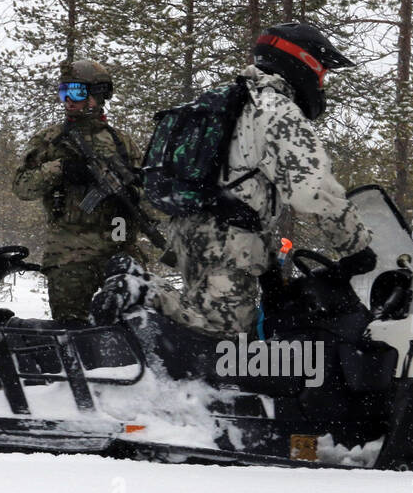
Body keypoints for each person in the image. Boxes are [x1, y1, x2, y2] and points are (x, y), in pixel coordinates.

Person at [141, 22, 374, 338]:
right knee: (222, 338)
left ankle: (164, 359)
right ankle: (141, 293)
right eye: (321, 74)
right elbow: (313, 189)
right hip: (225, 240)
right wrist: (356, 247)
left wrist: (269, 272)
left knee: (214, 326)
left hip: (198, 230)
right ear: (301, 63)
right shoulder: (277, 110)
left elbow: (244, 196)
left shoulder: (241, 102)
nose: (321, 84)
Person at [13, 59, 146, 322]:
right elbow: (22, 186)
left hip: (119, 252)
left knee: (134, 330)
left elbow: (152, 196)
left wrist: (133, 194)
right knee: (71, 335)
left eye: (76, 92)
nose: (68, 101)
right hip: (69, 256)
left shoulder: (122, 143)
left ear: (98, 95)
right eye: (64, 92)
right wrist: (61, 168)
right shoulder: (51, 140)